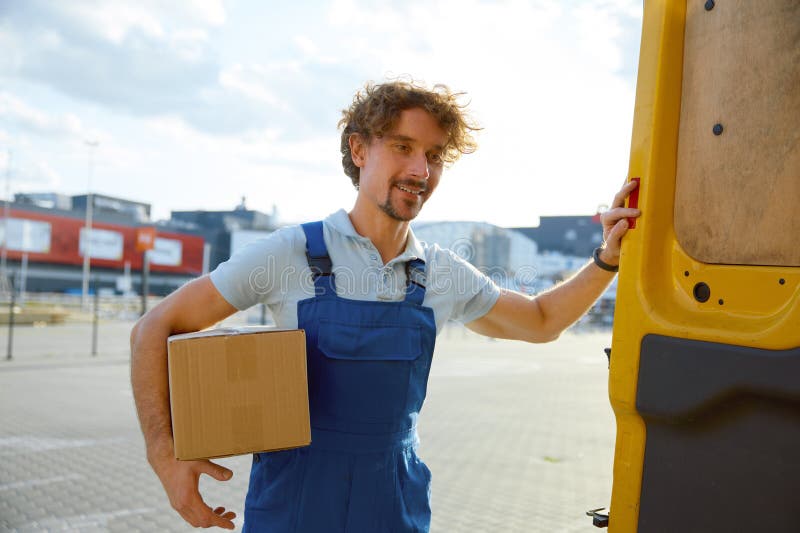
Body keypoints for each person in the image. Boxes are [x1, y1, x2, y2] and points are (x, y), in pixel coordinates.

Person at [130, 79, 640, 532]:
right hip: (293, 506)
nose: (420, 169)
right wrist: (165, 456)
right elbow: (154, 327)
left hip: (393, 506)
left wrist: (605, 259)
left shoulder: (439, 272)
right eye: (402, 147)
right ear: (358, 149)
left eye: (435, 155)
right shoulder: (290, 254)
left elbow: (541, 321)